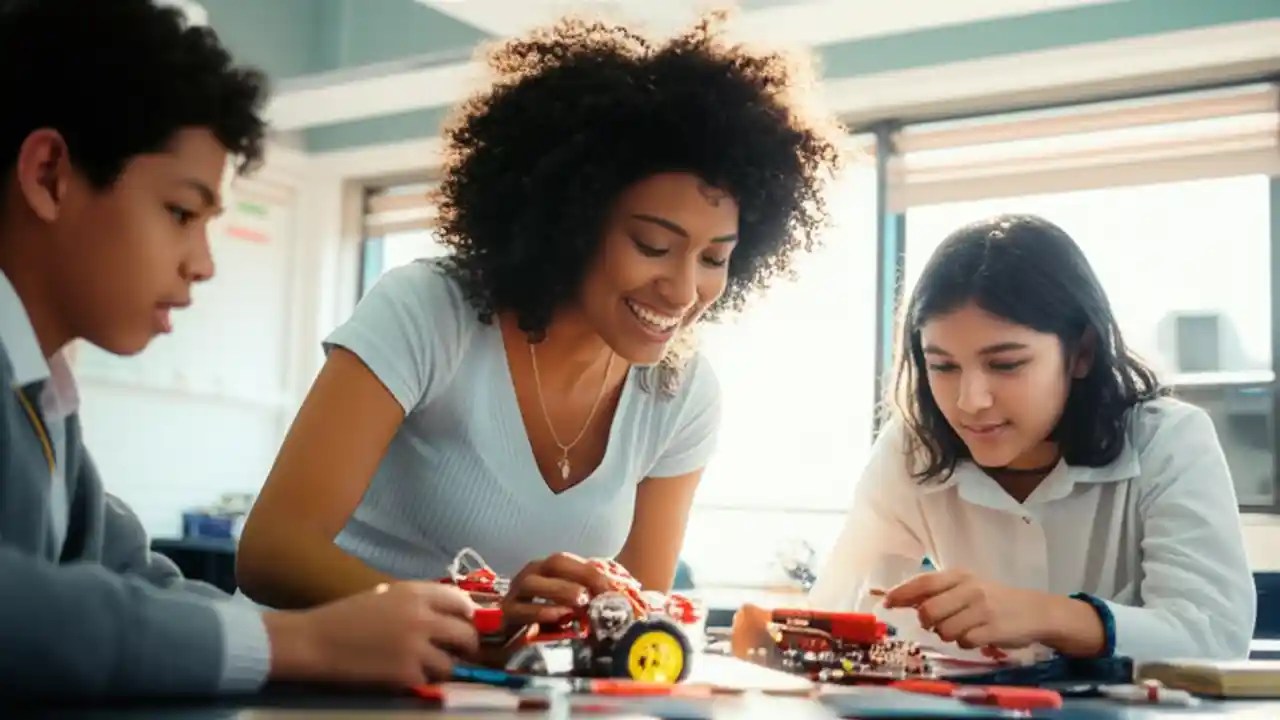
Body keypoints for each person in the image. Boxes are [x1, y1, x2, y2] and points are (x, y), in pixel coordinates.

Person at [236, 13, 843, 631]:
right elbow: (272, 553)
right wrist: (486, 621)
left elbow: (631, 615)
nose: (686, 290)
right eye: (654, 247)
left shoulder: (680, 393)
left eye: (715, 257)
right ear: (570, 223)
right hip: (314, 674)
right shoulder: (429, 310)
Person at [0, 0, 477, 698]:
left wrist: (355, 638)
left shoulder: (43, 396)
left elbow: (127, 575)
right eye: (181, 213)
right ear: (48, 175)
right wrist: (300, 642)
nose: (203, 263)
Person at [809, 214, 1256, 661]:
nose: (970, 400)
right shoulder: (913, 448)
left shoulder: (1169, 440)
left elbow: (1212, 634)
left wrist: (1041, 615)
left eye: (1005, 365)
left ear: (1081, 352)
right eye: (943, 366)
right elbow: (838, 609)